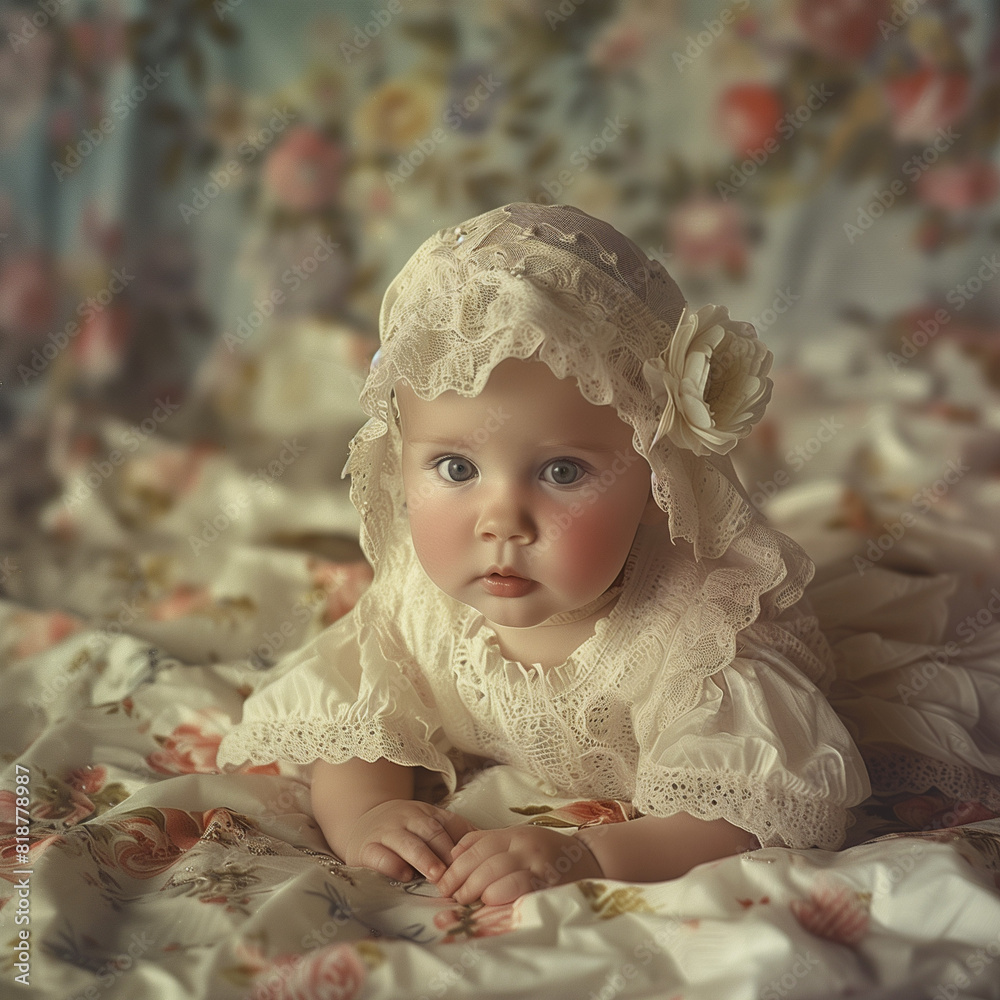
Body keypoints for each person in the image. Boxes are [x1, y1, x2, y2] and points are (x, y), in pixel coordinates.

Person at [218, 203, 1000, 906]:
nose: (503, 521)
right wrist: (368, 815)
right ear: (399, 461)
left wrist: (587, 854)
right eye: (455, 468)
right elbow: (361, 719)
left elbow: (748, 809)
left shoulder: (691, 633)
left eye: (562, 472)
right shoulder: (420, 605)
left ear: (653, 477)